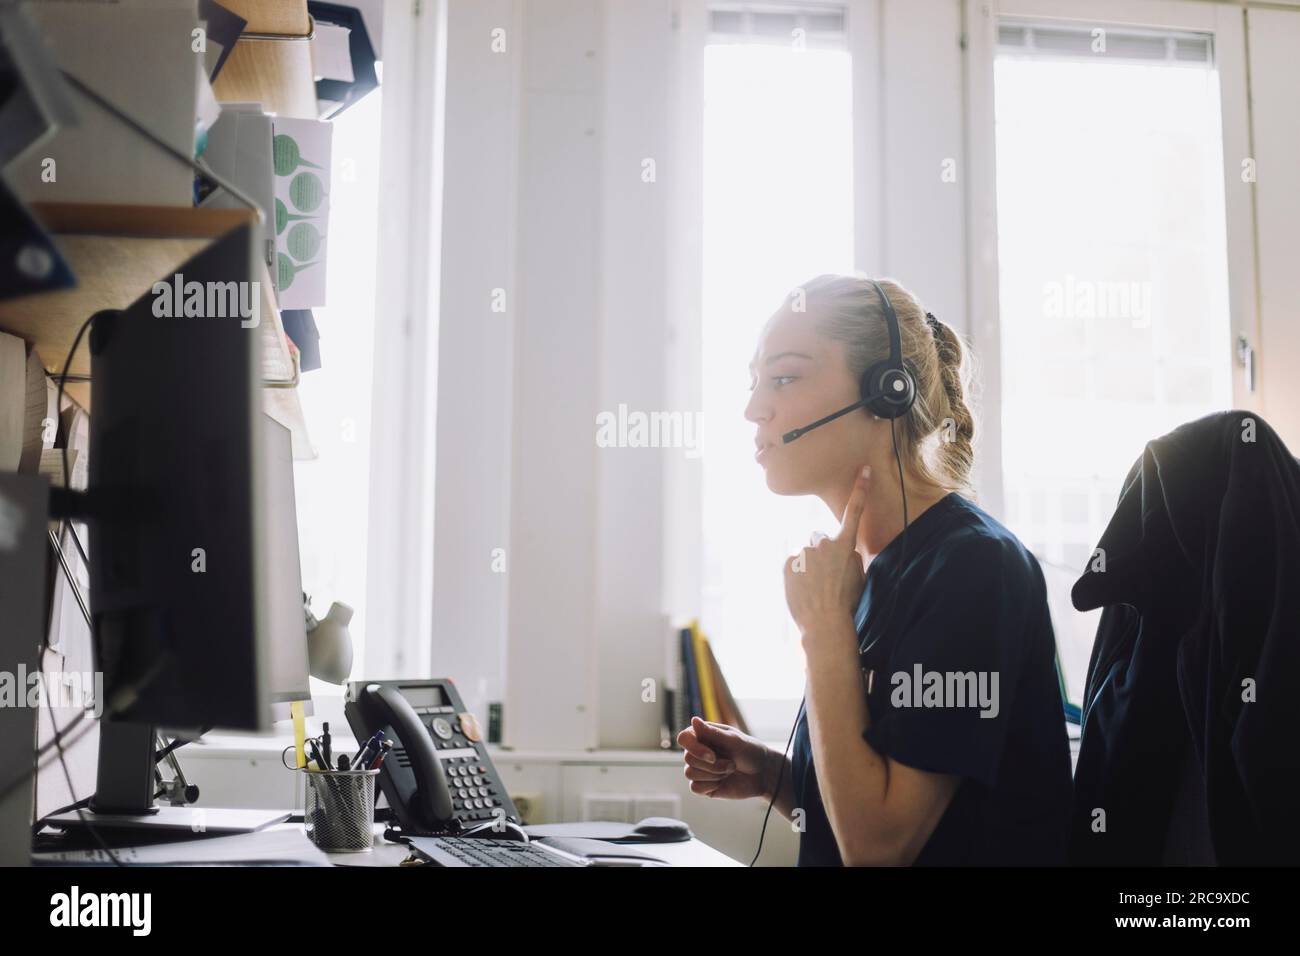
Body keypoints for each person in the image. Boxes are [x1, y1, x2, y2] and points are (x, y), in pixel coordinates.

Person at [677, 274, 1072, 866]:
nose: (753, 408)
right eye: (756, 382)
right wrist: (772, 776)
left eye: (783, 377)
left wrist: (822, 631)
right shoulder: (859, 578)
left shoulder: (973, 567)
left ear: (887, 391)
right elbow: (866, 800)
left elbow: (880, 849)